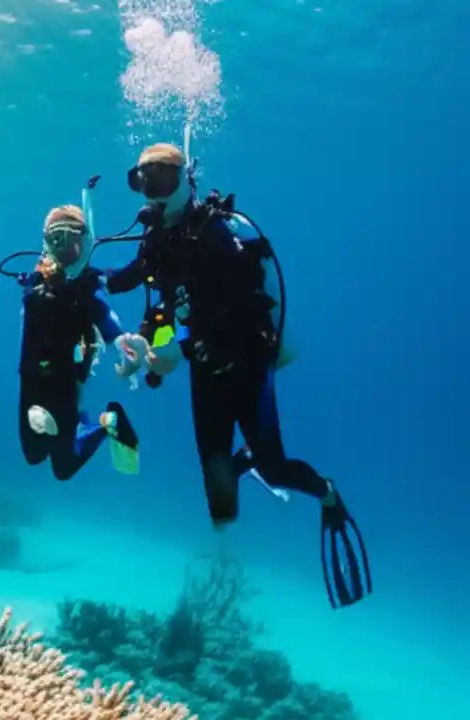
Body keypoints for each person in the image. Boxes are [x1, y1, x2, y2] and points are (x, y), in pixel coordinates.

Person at [101, 142, 372, 608]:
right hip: (205, 369)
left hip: (247, 364)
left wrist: (177, 350)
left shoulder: (214, 236)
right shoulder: (156, 241)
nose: (153, 192)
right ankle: (223, 563)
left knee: (273, 466)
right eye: (143, 181)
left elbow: (237, 309)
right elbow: (141, 289)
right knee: (219, 502)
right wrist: (138, 333)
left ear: (186, 181)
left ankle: (326, 493)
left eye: (162, 178)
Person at [15, 203, 143, 480]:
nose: (63, 250)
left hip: (66, 383)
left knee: (63, 468)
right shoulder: (36, 281)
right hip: (31, 380)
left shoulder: (88, 282)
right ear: (46, 242)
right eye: (55, 240)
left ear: (84, 242)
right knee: (33, 455)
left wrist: (121, 340)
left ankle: (109, 421)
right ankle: (82, 424)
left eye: (70, 240)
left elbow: (103, 313)